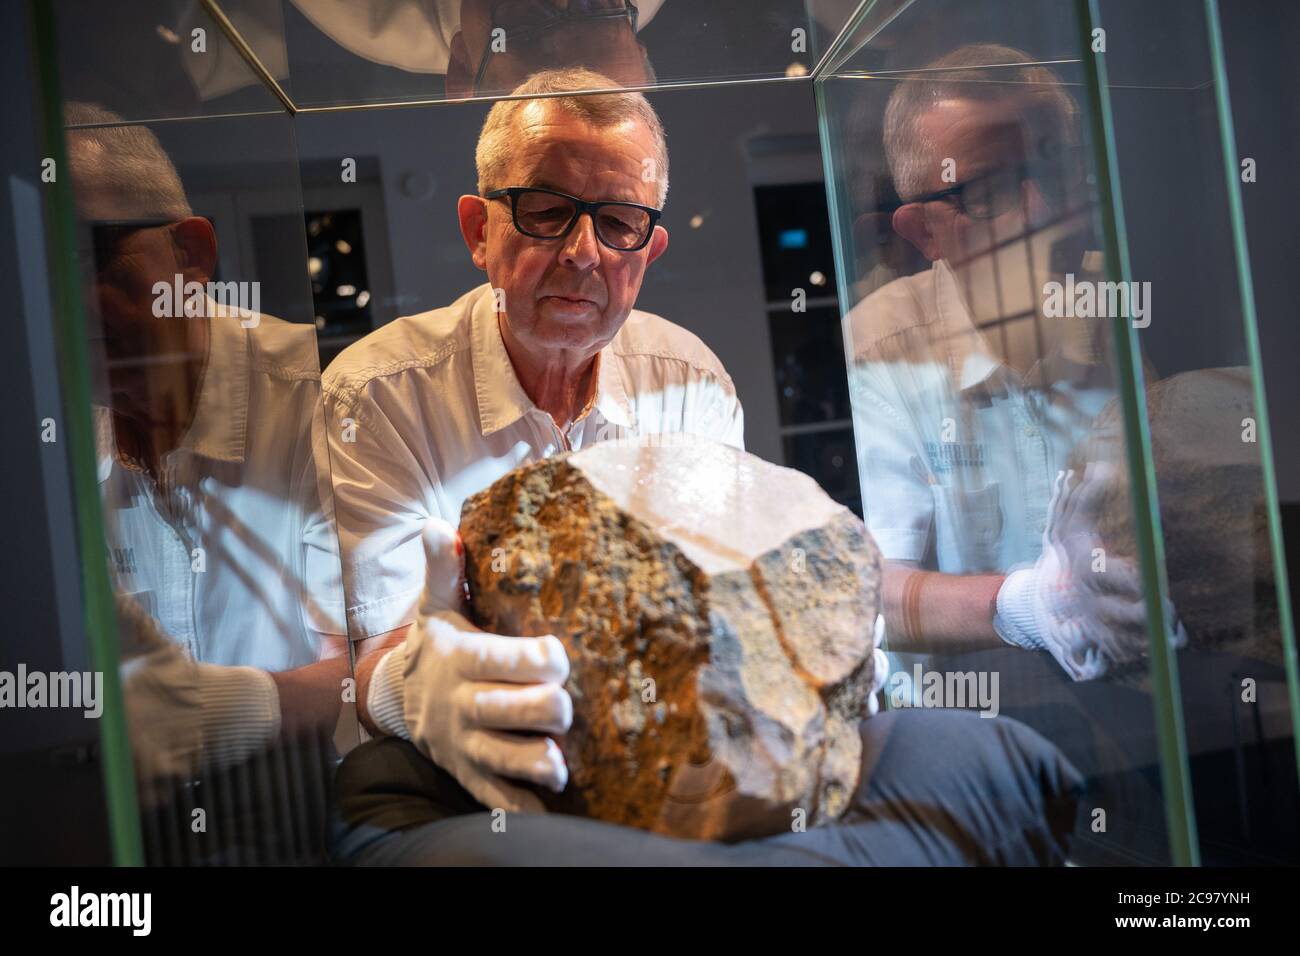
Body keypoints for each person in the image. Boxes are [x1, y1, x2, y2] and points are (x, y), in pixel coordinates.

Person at [324, 67, 760, 810]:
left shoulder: (692, 384)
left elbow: (721, 600)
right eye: (548, 210)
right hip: (446, 780)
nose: (584, 252)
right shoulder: (376, 395)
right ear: (477, 230)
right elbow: (374, 659)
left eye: (619, 221)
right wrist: (426, 690)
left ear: (647, 251)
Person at [843, 44, 1181, 681]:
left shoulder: (1109, 304)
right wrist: (1030, 607)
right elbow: (877, 591)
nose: (1043, 214)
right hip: (971, 724)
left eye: (1052, 172)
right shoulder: (880, 347)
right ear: (924, 234)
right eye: (991, 191)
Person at [67, 103, 351, 786]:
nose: (67, 301)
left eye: (89, 256)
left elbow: (371, 672)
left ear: (190, 254)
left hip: (305, 811)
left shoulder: (322, 400)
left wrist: (213, 716)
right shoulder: (48, 441)